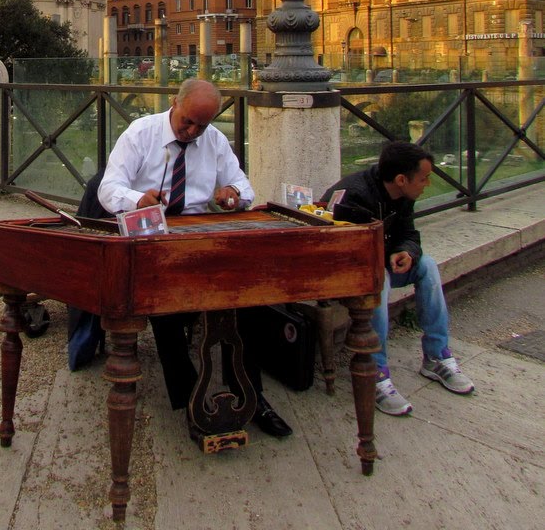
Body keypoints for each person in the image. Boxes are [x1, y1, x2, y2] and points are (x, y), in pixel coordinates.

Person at [98, 78, 292, 438]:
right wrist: (138, 199)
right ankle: (191, 400)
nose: (191, 132)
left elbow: (245, 187)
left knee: (246, 303)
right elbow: (107, 189)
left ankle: (252, 395)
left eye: (201, 125)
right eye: (187, 122)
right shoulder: (141, 133)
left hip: (198, 234)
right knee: (163, 309)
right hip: (152, 235)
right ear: (174, 103)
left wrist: (232, 192)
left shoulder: (214, 140)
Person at [320, 141, 474, 416]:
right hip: (347, 274)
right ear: (402, 179)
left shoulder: (403, 195)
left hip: (381, 264)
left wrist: (406, 252)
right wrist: (384, 261)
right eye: (424, 178)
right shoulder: (354, 195)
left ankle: (436, 355)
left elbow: (409, 234)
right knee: (378, 281)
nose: (427, 184)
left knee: (427, 266)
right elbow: (338, 251)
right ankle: (376, 372)